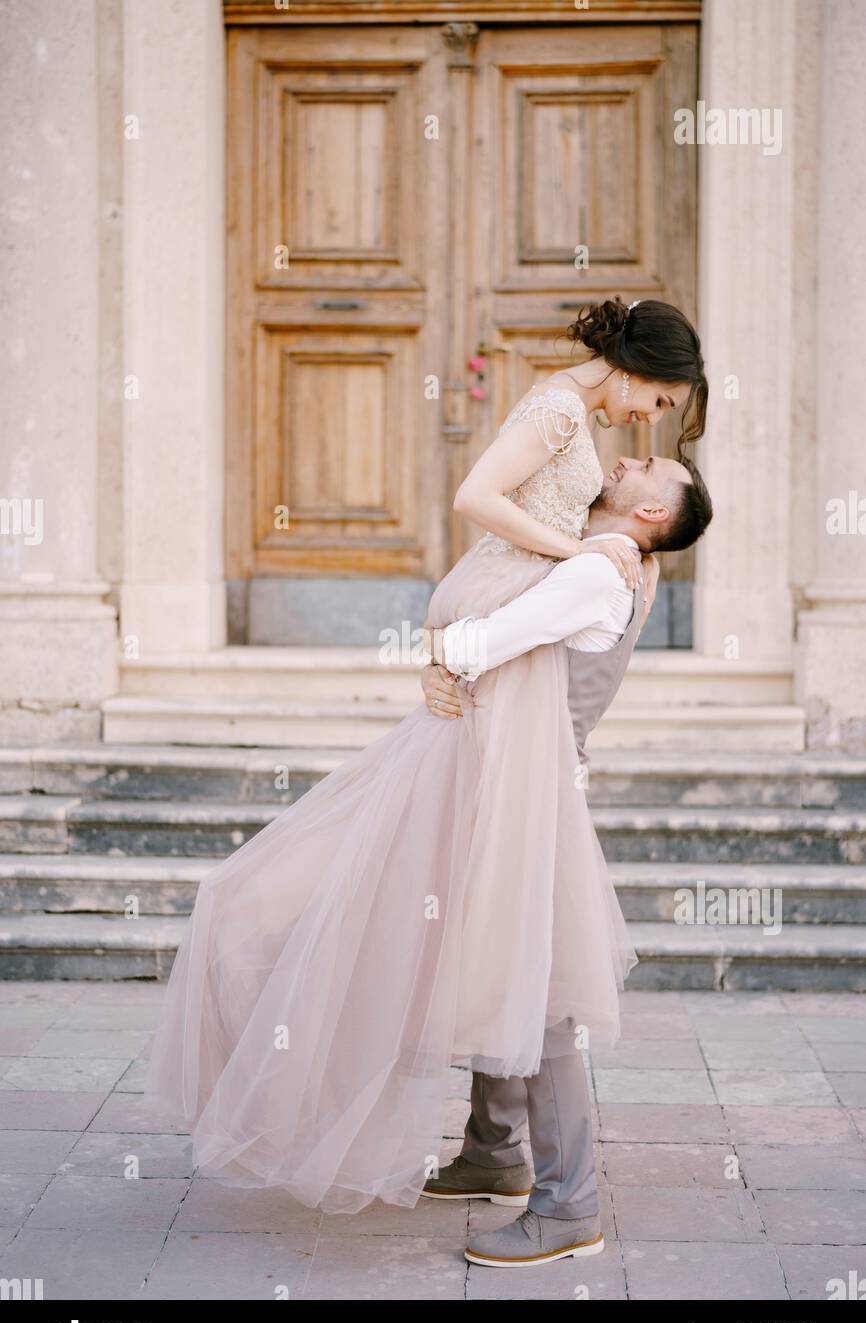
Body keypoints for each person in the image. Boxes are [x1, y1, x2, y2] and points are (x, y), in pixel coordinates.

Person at [143, 297, 709, 1222]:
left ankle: (555, 1193)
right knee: (492, 938)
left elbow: (509, 626)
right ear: (637, 367)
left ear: (648, 514)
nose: (647, 425)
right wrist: (557, 574)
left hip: (501, 745)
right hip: (485, 737)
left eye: (656, 433)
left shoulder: (609, 555)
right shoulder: (571, 438)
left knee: (509, 946)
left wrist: (464, 644)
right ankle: (495, 1154)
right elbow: (478, 503)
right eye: (656, 404)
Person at [417, 454, 713, 1267]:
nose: (627, 457)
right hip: (507, 780)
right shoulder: (601, 559)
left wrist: (435, 648)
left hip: (530, 794)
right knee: (496, 962)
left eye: (650, 466)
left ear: (654, 513)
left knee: (541, 995)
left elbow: (484, 642)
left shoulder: (600, 570)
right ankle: (493, 1149)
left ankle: (566, 1205)